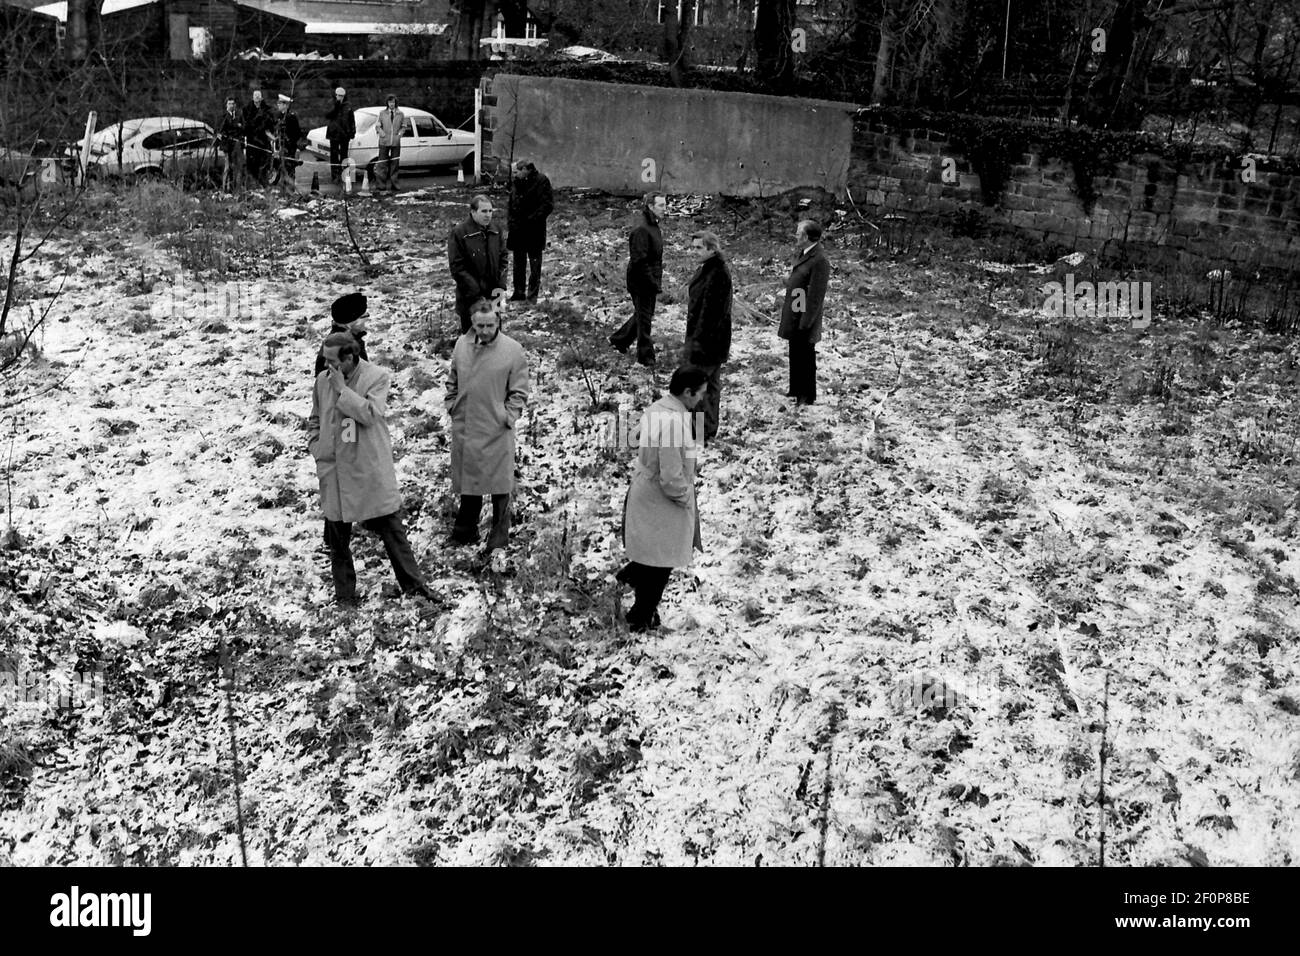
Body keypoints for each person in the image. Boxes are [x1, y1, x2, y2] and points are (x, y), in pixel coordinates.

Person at [308, 332, 434, 605]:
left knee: (391, 528)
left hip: (367, 468)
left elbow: (368, 414)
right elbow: (315, 419)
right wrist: (317, 448)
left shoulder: (377, 377)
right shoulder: (321, 381)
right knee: (338, 540)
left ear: (350, 358)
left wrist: (342, 389)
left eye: (331, 361)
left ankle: (414, 587)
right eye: (324, 359)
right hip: (335, 471)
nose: (325, 365)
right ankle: (345, 596)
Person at [617, 365, 707, 632]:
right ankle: (640, 617)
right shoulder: (674, 423)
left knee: (653, 555)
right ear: (688, 392)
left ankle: (633, 579)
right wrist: (685, 497)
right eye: (700, 393)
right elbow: (670, 476)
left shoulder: (659, 408)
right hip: (661, 499)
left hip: (647, 492)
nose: (702, 398)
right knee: (662, 561)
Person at [445, 299, 530, 551]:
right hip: (467, 424)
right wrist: (452, 404)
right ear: (472, 323)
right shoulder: (462, 345)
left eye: (489, 325)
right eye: (479, 325)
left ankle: (499, 539)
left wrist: (508, 416)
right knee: (470, 480)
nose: (484, 330)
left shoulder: (512, 350)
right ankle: (464, 530)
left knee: (500, 485)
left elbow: (519, 391)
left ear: (498, 321)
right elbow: (453, 379)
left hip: (495, 429)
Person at [684, 230, 733, 443]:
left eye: (698, 248)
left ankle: (701, 433)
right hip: (709, 340)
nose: (694, 252)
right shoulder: (708, 269)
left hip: (708, 342)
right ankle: (708, 430)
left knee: (700, 389)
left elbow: (711, 313)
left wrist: (697, 343)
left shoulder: (718, 273)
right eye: (693, 247)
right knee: (710, 387)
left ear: (712, 249)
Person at [609, 192, 666, 366]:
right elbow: (639, 261)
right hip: (641, 282)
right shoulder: (642, 229)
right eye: (661, 205)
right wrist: (652, 282)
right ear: (650, 206)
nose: (665, 209)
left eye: (665, 205)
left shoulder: (652, 224)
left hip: (649, 279)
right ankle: (646, 357)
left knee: (643, 315)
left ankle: (619, 340)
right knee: (644, 320)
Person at [778, 219, 830, 406]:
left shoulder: (820, 260)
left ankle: (806, 395)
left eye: (799, 233)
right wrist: (790, 280)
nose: (796, 236)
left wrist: (806, 322)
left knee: (805, 355)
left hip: (806, 315)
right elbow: (801, 280)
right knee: (795, 351)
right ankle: (795, 389)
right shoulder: (804, 253)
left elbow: (816, 295)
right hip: (796, 309)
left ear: (807, 237)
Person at [448, 195, 508, 334]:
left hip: (494, 293)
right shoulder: (460, 233)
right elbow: (457, 267)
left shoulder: (496, 230)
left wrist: (501, 284)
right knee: (472, 338)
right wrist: (475, 291)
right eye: (484, 211)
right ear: (473, 212)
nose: (488, 215)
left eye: (490, 211)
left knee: (494, 335)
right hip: (470, 296)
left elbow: (503, 257)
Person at [506, 161, 553, 302]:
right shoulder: (517, 182)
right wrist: (511, 222)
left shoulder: (541, 181)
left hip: (534, 230)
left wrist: (532, 219)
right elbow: (511, 203)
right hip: (517, 229)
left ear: (525, 169)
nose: (514, 175)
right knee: (518, 263)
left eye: (516, 172)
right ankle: (518, 292)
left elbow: (547, 205)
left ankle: (532, 295)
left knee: (534, 264)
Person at [313, 292, 370, 379]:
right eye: (364, 317)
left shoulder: (350, 339)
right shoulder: (343, 347)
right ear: (350, 323)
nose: (366, 321)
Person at [271, 93, 302, 192]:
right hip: (281, 147)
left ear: (285, 105)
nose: (278, 106)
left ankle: (291, 189)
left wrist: (291, 142)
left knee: (289, 169)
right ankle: (283, 189)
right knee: (281, 167)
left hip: (289, 147)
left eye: (280, 104)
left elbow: (297, 133)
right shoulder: (279, 116)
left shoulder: (291, 117)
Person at [374, 95, 405, 194]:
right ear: (387, 103)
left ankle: (394, 184)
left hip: (395, 142)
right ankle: (381, 185)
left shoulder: (401, 114)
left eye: (393, 102)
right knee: (382, 164)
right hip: (384, 142)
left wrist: (399, 134)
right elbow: (377, 126)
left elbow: (404, 126)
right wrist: (381, 132)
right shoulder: (382, 113)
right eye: (390, 102)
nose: (392, 104)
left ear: (396, 103)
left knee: (395, 164)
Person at [325, 86, 356, 184]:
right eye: (338, 95)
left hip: (344, 134)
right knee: (334, 156)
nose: (339, 97)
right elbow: (327, 115)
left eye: (341, 96)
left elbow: (352, 120)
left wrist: (352, 132)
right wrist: (336, 106)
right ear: (335, 95)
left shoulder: (348, 106)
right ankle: (334, 176)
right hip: (334, 133)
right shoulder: (331, 103)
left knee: (344, 156)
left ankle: (344, 175)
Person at [242, 89, 274, 184]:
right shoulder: (246, 109)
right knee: (252, 166)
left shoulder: (267, 110)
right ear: (252, 97)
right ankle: (253, 185)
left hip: (264, 142)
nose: (256, 97)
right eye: (255, 95)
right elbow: (245, 126)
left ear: (261, 97)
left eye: (258, 95)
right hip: (252, 142)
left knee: (264, 164)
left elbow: (271, 125)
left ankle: (264, 184)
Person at [216, 97, 245, 192]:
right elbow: (220, 131)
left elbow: (243, 128)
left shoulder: (239, 116)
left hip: (237, 145)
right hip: (227, 146)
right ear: (226, 105)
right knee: (227, 167)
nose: (231, 105)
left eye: (233, 103)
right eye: (229, 104)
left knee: (237, 167)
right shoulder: (223, 117)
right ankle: (224, 188)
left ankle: (235, 188)